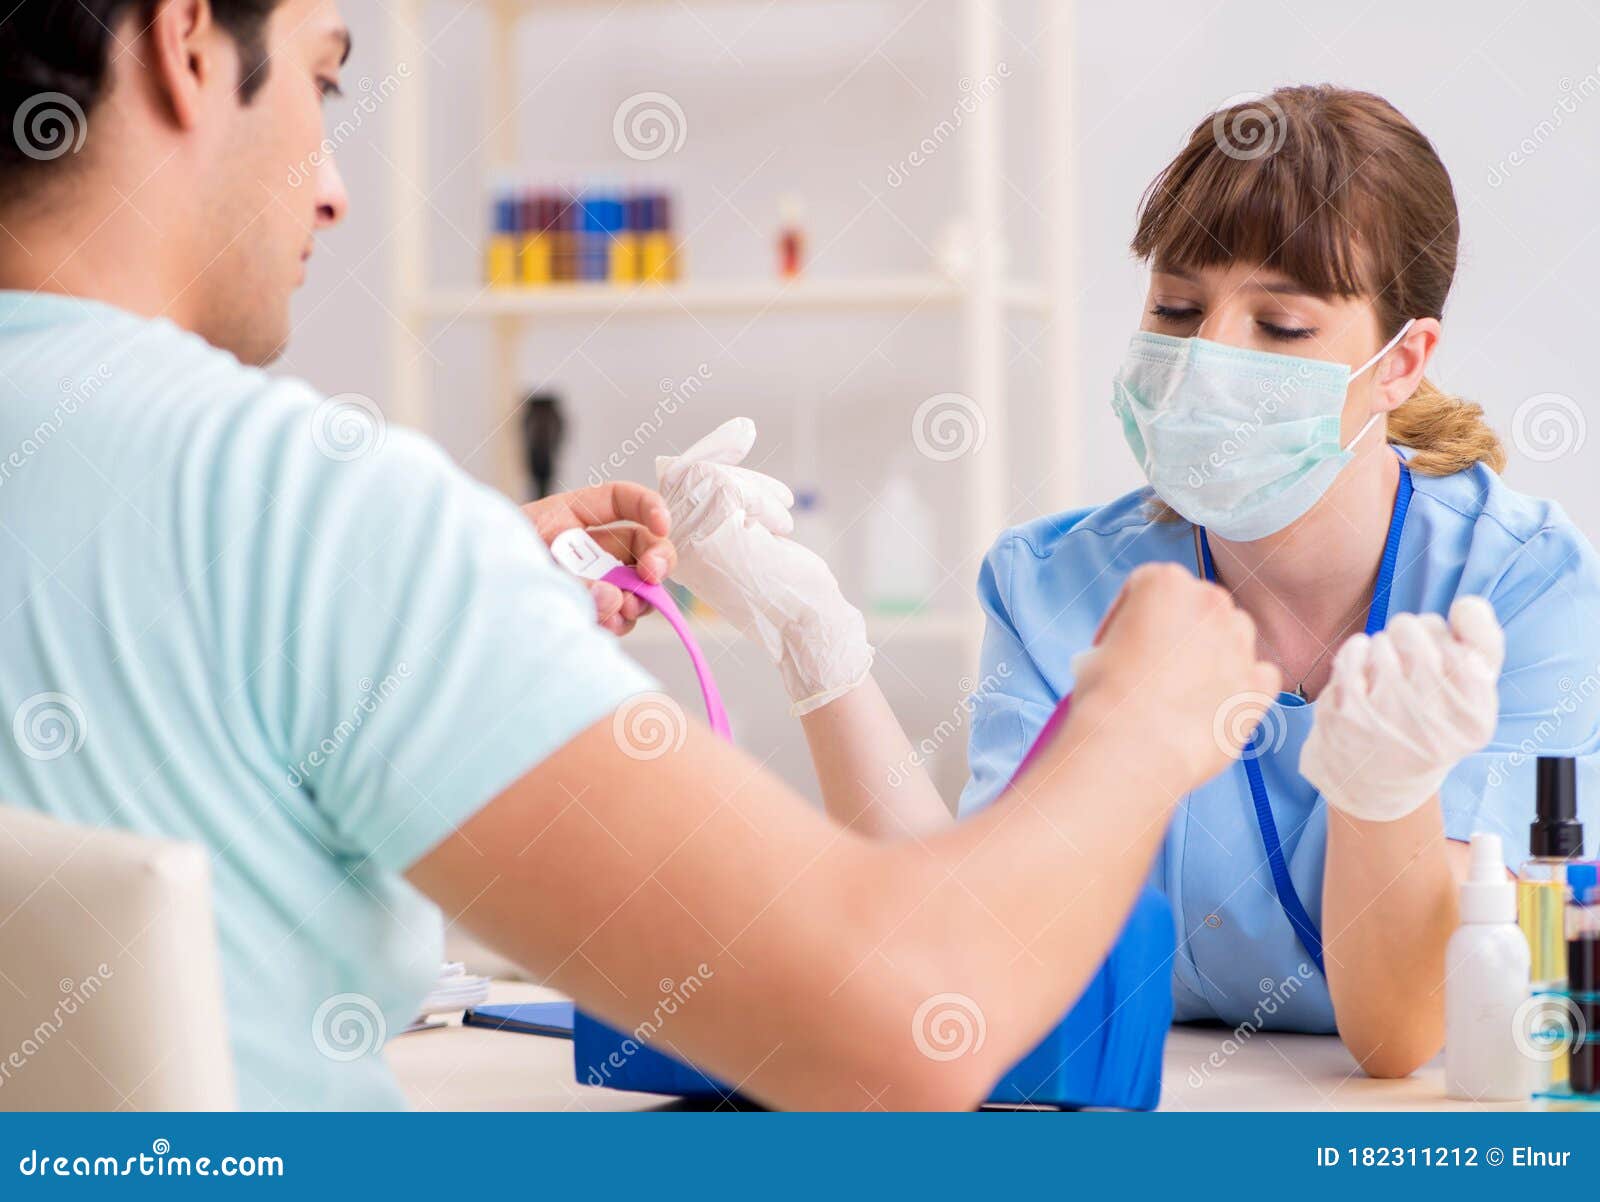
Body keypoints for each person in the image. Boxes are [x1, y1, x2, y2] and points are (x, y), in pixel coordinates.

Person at [0, 0, 1280, 1110]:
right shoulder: (310, 500)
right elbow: (901, 1030)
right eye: (324, 76)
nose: (334, 186)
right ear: (187, 47)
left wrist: (445, 586)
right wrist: (1139, 717)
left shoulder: (282, 526)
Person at [661, 85, 1600, 1080]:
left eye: (1280, 326)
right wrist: (819, 647)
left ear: (1400, 360)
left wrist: (1387, 790)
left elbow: (1397, 1030)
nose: (1205, 361)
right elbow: (959, 950)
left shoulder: (1518, 591)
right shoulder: (1051, 583)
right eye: (1177, 307)